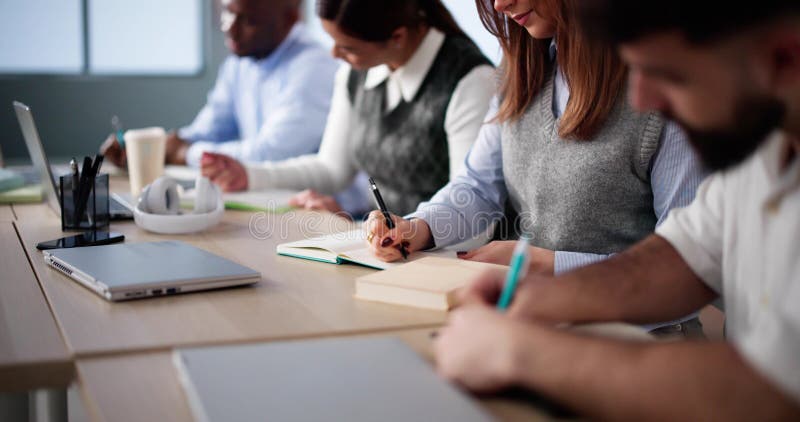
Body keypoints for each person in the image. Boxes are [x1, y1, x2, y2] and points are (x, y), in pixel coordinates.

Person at [434, 0, 800, 419]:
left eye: (669, 76)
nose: (641, 99)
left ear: (785, 60)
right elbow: (683, 255)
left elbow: (775, 391)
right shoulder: (761, 145)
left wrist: (519, 353)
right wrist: (544, 295)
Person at [365, 0, 705, 287]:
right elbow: (478, 188)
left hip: (639, 340)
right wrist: (417, 228)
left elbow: (685, 268)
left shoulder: (664, 88)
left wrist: (546, 265)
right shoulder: (524, 67)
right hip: (541, 318)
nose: (500, 5)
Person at [200, 0, 496, 217]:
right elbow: (332, 169)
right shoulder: (359, 71)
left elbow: (470, 210)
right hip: (384, 245)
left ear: (398, 37)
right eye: (332, 41)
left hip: (441, 257)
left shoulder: (470, 80)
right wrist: (250, 175)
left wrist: (373, 230)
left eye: (348, 47)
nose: (334, 54)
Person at [100, 0, 337, 170]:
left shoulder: (314, 66)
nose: (230, 28)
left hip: (327, 216)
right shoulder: (240, 62)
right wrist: (151, 149)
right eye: (227, 12)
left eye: (249, 20)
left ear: (290, 19)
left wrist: (185, 154)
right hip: (269, 200)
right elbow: (209, 129)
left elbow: (272, 154)